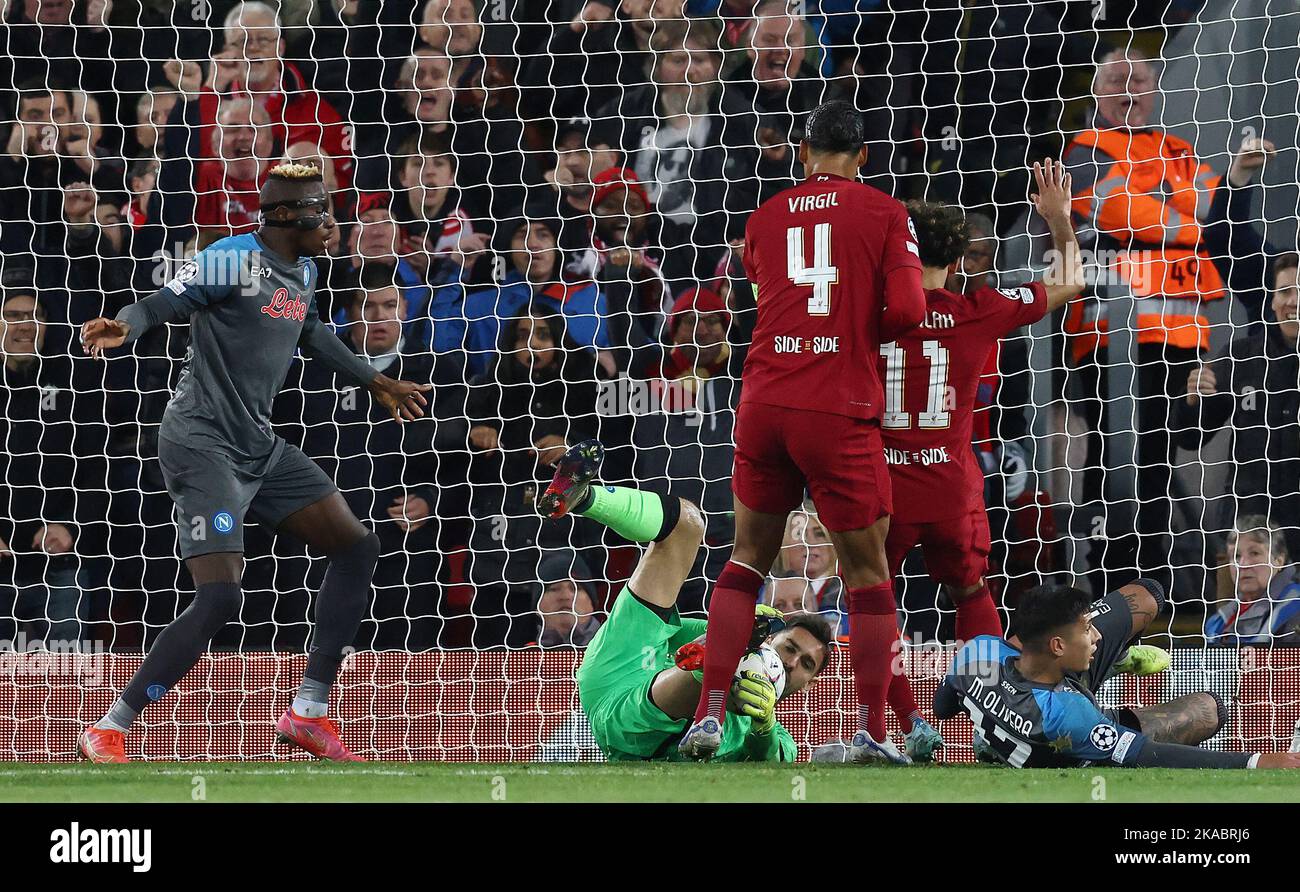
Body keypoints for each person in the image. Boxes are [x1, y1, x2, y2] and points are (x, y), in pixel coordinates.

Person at [75, 162, 431, 763]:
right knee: (221, 598)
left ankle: (308, 713)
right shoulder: (232, 259)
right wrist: (125, 327)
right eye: (323, 211)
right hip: (201, 441)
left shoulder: (307, 270)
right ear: (289, 216)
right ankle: (110, 726)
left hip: (258, 446)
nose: (334, 224)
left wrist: (376, 382)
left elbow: (313, 334)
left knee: (355, 546)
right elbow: (162, 302)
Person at [677, 100, 926, 762]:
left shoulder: (763, 216)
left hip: (763, 402)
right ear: (865, 156)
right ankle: (874, 731)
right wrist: (847, 331)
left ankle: (705, 717)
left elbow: (763, 290)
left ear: (802, 152)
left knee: (745, 559)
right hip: (835, 406)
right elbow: (906, 308)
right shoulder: (885, 212)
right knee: (868, 573)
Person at [876, 161, 1084, 758]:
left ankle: (906, 722)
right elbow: (1069, 283)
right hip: (951, 486)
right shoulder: (980, 309)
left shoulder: (874, 310)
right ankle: (997, 719)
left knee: (871, 596)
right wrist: (1060, 221)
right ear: (962, 259)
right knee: (972, 593)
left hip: (883, 488)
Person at [540, 439, 834, 762]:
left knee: (714, 659)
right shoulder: (729, 633)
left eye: (806, 664)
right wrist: (733, 635)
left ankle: (710, 667)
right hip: (621, 665)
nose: (791, 662)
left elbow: (773, 764)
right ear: (771, 636)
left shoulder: (776, 737)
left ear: (810, 685)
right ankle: (582, 496)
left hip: (632, 721)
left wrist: (761, 728)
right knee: (688, 523)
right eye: (790, 647)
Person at [935, 580, 1300, 768]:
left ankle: (1116, 659)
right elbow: (1145, 754)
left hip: (1040, 668)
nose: (1095, 633)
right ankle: (1107, 663)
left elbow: (943, 707)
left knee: (1147, 595)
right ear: (1059, 645)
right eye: (1087, 629)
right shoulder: (1072, 719)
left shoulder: (978, 652)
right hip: (1070, 718)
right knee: (1211, 709)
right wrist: (1256, 761)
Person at [1204, 516, 1300, 647]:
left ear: (1279, 560)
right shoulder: (1216, 623)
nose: (1243, 564)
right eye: (1236, 556)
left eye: (1254, 553)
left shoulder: (1295, 609)